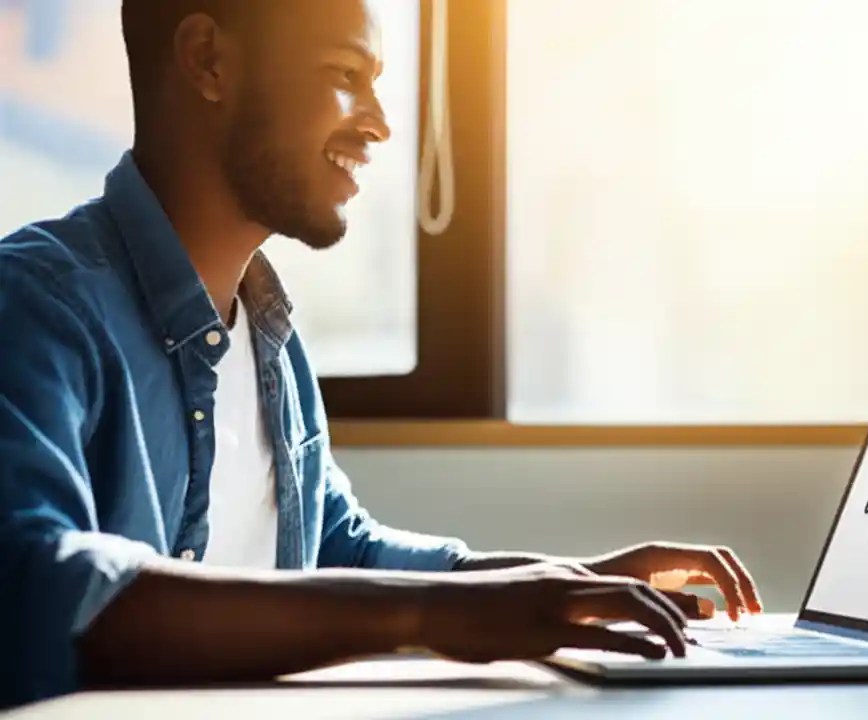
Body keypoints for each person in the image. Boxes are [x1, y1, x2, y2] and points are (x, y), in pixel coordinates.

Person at [0, 0, 763, 707]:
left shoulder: (271, 340)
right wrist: (433, 613)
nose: (378, 125)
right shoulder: (36, 306)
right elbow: (42, 592)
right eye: (344, 76)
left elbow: (342, 549)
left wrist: (554, 583)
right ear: (208, 61)